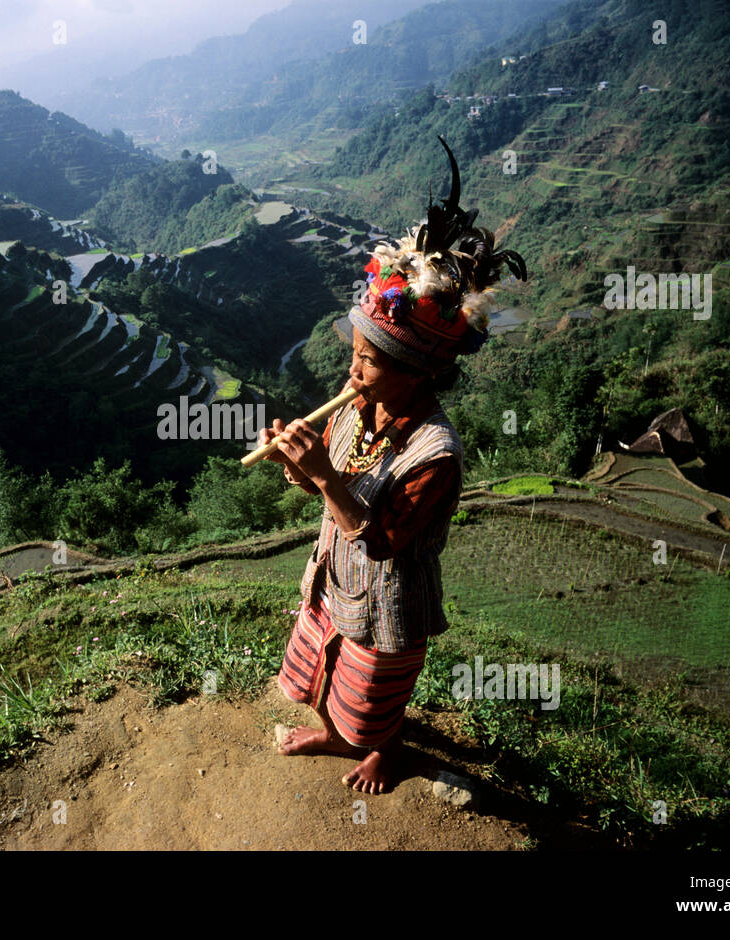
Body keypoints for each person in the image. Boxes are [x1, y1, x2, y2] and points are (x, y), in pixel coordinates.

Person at [259, 137, 527, 792]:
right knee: (327, 670)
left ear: (419, 374)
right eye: (354, 353)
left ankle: (387, 750)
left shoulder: (435, 454)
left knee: (374, 689)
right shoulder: (362, 410)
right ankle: (337, 733)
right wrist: (303, 466)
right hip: (335, 584)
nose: (352, 371)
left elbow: (380, 540)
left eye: (369, 361)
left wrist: (323, 475)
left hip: (389, 603)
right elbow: (332, 495)